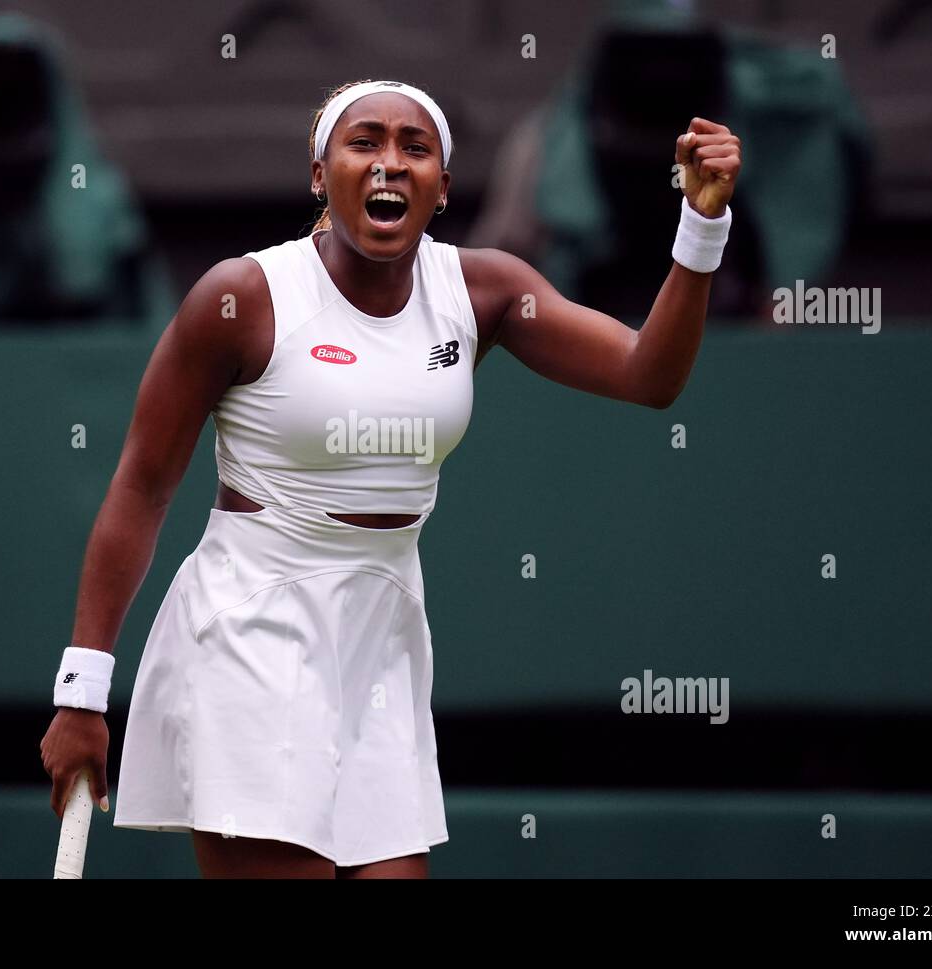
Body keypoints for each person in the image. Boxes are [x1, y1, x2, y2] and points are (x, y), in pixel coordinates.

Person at [39, 78, 742, 879]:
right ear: (319, 173)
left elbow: (649, 374)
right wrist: (83, 689)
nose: (389, 163)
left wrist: (701, 222)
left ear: (442, 189)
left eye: (415, 148)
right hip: (249, 634)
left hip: (384, 643)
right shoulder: (240, 298)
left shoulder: (486, 293)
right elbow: (141, 487)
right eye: (364, 141)